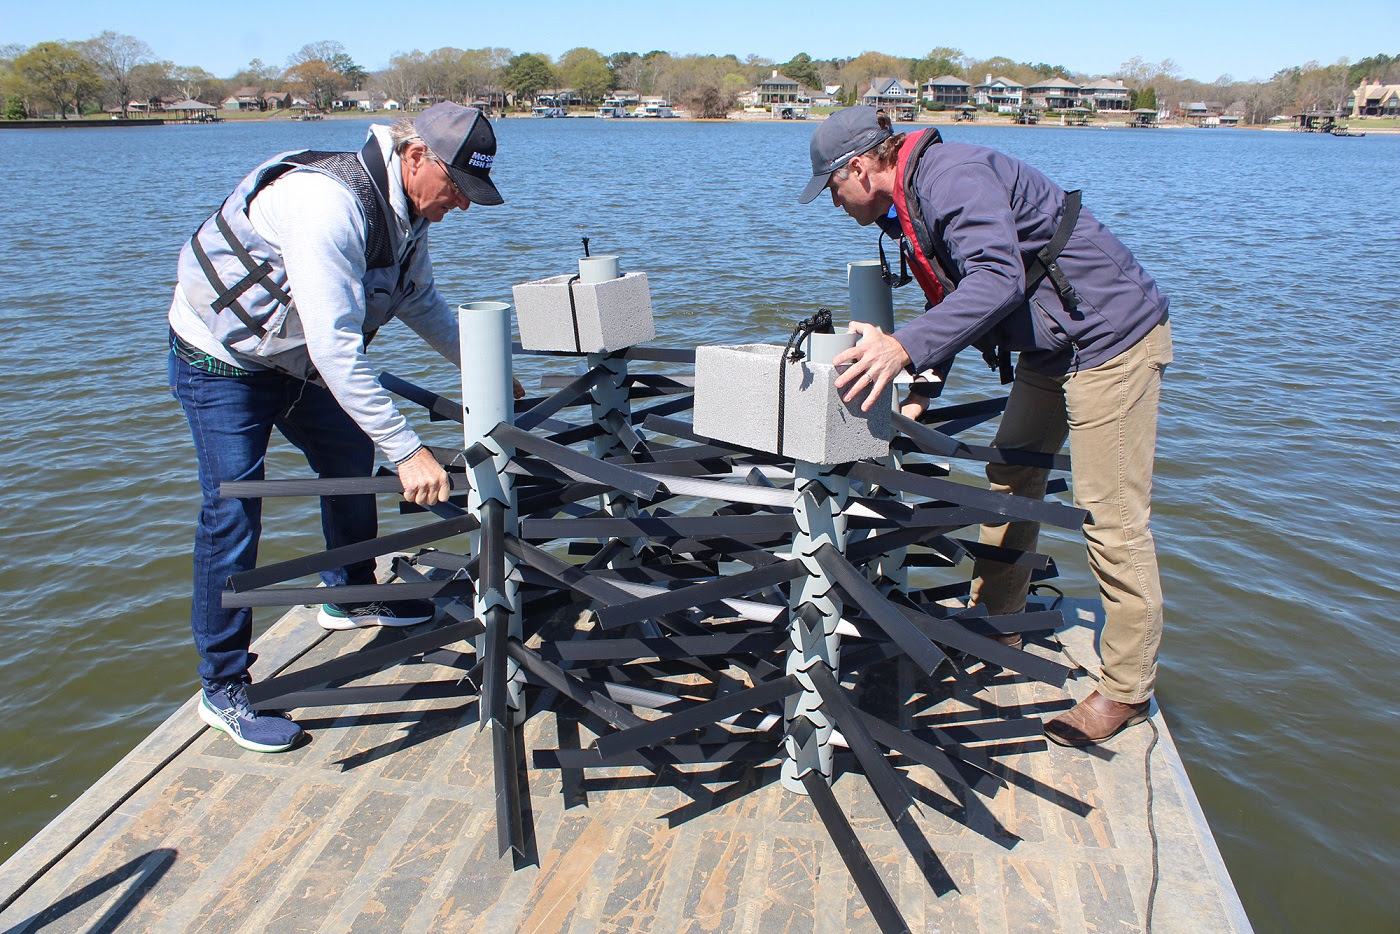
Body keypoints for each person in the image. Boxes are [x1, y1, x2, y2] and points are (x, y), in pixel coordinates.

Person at [798, 106, 1173, 746]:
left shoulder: (952, 178)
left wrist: (901, 349)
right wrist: (919, 391)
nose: (833, 203)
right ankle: (1000, 614)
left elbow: (996, 280)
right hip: (1053, 347)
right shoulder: (914, 197)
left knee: (1109, 514)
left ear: (860, 167)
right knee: (1010, 473)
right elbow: (957, 303)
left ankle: (1126, 689)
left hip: (1110, 342)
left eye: (832, 187)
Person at [168, 103, 519, 752]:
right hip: (225, 361)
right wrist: (410, 449)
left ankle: (350, 596)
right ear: (417, 158)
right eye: (458, 189)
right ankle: (223, 689)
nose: (462, 207)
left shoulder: (408, 212)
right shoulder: (327, 206)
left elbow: (420, 302)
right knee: (232, 511)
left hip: (299, 360)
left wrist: (493, 369)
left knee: (351, 463)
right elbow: (336, 348)